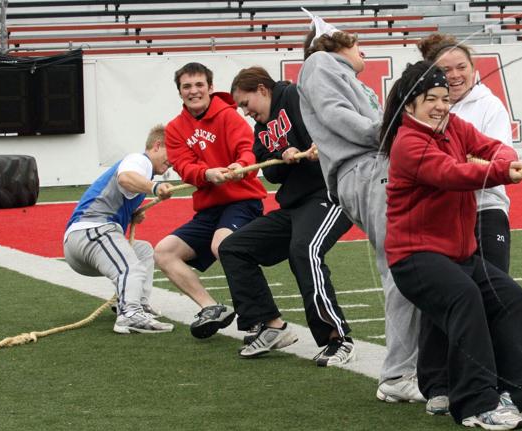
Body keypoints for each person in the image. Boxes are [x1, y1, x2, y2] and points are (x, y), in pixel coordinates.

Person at [382, 60, 522, 430]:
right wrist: (500, 170)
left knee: (512, 298)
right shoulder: (407, 143)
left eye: (444, 98)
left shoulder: (454, 126)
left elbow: (493, 147)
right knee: (465, 298)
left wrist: (504, 159)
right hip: (415, 258)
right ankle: (476, 402)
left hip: (459, 255)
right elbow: (452, 175)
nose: (440, 105)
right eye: (430, 99)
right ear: (409, 106)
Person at [297, 13, 423, 397]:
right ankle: (399, 376)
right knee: (402, 267)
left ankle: (412, 369)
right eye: (354, 42)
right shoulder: (319, 63)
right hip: (368, 171)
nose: (361, 48)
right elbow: (337, 115)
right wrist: (389, 133)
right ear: (334, 44)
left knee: (413, 263)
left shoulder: (341, 75)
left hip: (370, 170)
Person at [219, 66, 354, 366]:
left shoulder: (294, 95)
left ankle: (338, 337)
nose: (245, 112)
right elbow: (271, 172)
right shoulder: (261, 129)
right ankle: (269, 324)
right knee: (233, 248)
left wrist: (312, 146)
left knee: (304, 250)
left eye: (245, 103)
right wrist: (286, 155)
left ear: (263, 90)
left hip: (328, 196)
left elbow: (328, 122)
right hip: (293, 205)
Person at [418, 33, 516, 416]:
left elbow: (499, 156)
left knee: (493, 293)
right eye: (446, 70)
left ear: (474, 69)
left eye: (462, 67)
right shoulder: (422, 107)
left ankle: (496, 383)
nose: (456, 75)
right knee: (440, 296)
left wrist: (458, 166)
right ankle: (437, 383)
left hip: (483, 210)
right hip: (440, 213)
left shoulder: (490, 107)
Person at [155, 62, 267, 340]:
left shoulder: (229, 116)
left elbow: (248, 150)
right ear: (180, 92)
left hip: (242, 201)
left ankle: (258, 319)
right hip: (208, 209)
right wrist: (207, 173)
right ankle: (212, 308)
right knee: (164, 252)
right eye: (187, 87)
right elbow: (184, 166)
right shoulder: (175, 129)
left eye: (199, 85)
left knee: (223, 245)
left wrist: (238, 167)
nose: (194, 91)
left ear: (210, 87)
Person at [64, 124, 175, 334]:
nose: (174, 160)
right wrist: (154, 188)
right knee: (130, 266)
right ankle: (129, 314)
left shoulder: (143, 169)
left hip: (83, 241)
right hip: (91, 232)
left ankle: (136, 304)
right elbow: (124, 178)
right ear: (157, 146)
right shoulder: (140, 160)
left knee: (142, 251)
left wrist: (131, 213)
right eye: (173, 151)